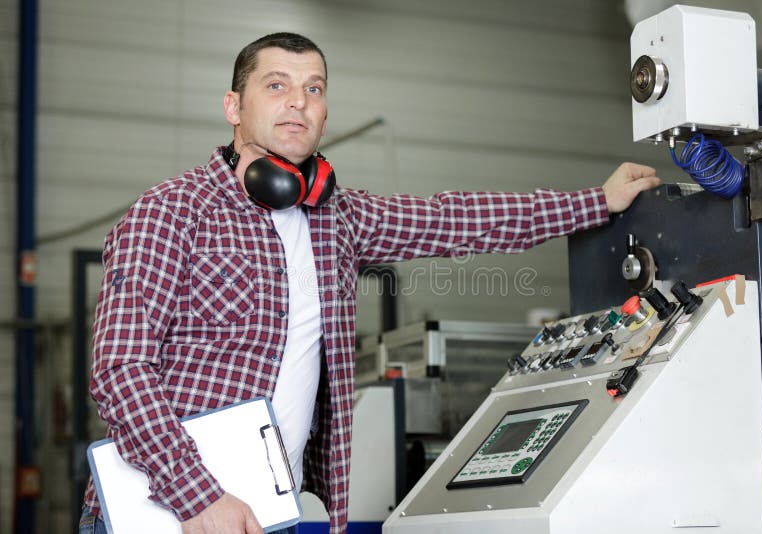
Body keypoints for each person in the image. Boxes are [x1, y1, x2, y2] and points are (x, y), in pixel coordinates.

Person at [79, 32, 660, 534]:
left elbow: (457, 219)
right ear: (234, 106)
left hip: (262, 514)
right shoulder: (171, 212)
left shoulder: (340, 219)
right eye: (276, 86)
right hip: (164, 511)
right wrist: (197, 495)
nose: (298, 104)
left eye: (314, 88)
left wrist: (596, 202)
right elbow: (119, 368)